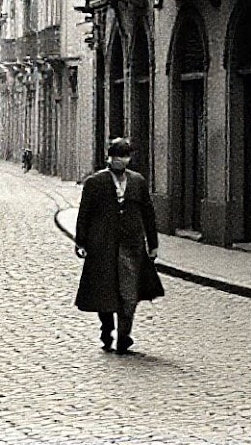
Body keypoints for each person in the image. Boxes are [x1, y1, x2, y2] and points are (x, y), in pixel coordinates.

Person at [74, 138, 162, 354]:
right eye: (117, 157)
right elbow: (84, 214)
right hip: (102, 246)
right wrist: (81, 241)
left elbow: (148, 215)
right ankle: (107, 329)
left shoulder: (138, 182)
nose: (121, 161)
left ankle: (124, 336)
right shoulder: (95, 183)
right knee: (104, 292)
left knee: (129, 294)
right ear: (109, 158)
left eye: (125, 156)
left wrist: (153, 244)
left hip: (131, 246)